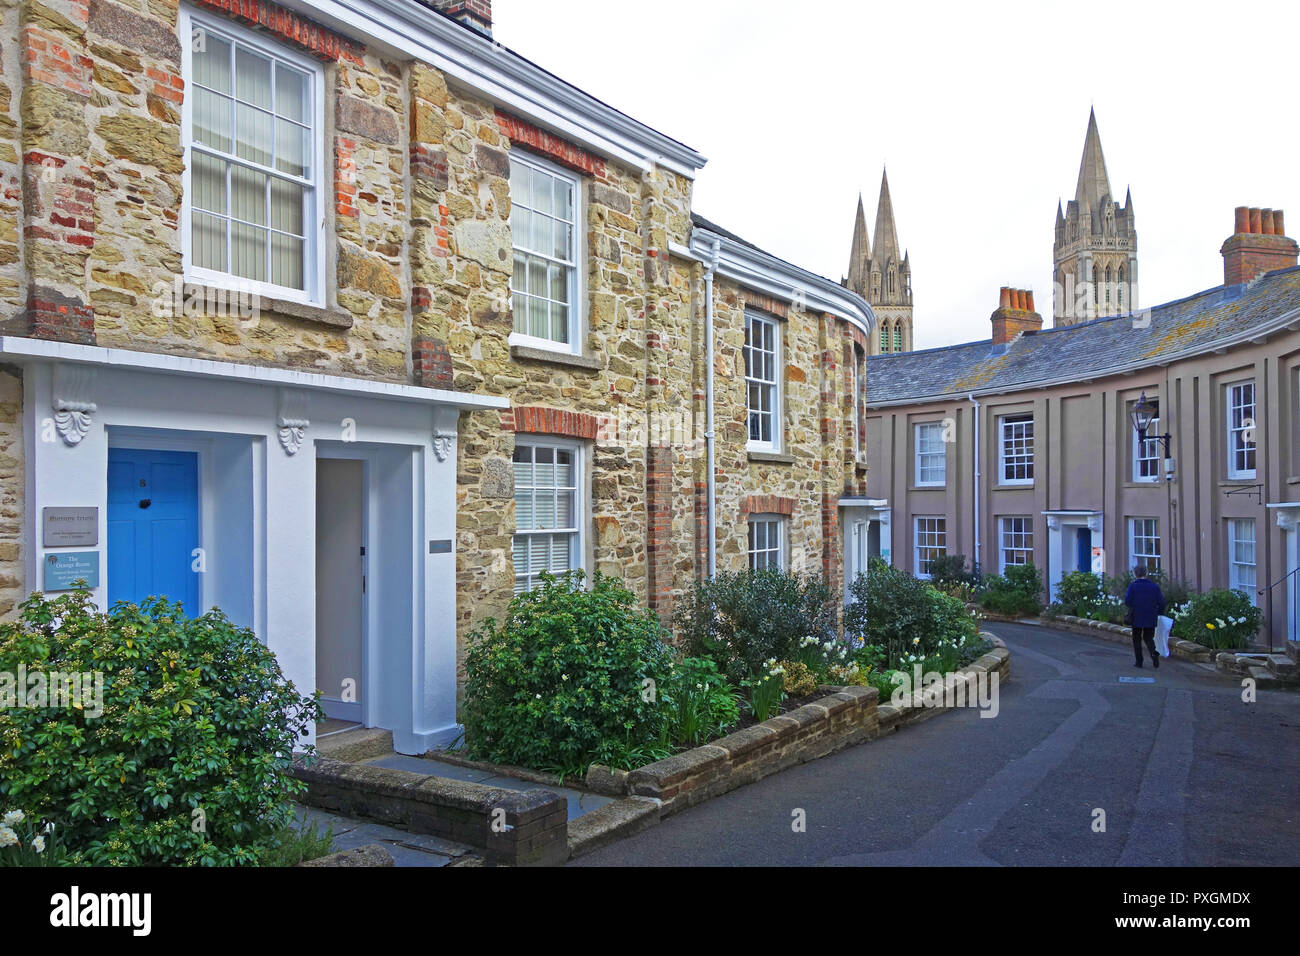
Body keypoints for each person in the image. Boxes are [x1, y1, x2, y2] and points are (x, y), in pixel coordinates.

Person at [1124, 565, 1166, 669]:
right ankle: (1153, 653)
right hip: (1150, 616)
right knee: (1148, 638)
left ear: (1135, 574)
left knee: (1136, 639)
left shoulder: (1133, 586)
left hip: (1137, 615)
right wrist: (1159, 613)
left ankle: (1139, 661)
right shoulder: (1154, 586)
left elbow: (1128, 601)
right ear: (1146, 573)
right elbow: (1162, 602)